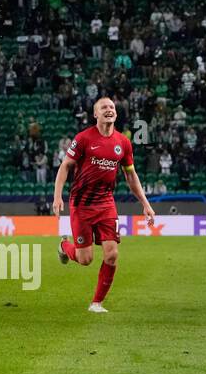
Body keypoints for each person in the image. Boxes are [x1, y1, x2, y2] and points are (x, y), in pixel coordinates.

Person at [52, 97, 156, 313]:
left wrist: (145, 204)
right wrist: (57, 196)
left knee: (112, 254)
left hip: (106, 204)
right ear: (95, 114)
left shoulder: (123, 143)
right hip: (81, 204)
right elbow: (65, 167)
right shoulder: (83, 139)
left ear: (116, 114)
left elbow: (131, 176)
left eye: (112, 107)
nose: (109, 110)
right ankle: (64, 246)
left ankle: (96, 303)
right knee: (85, 259)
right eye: (104, 107)